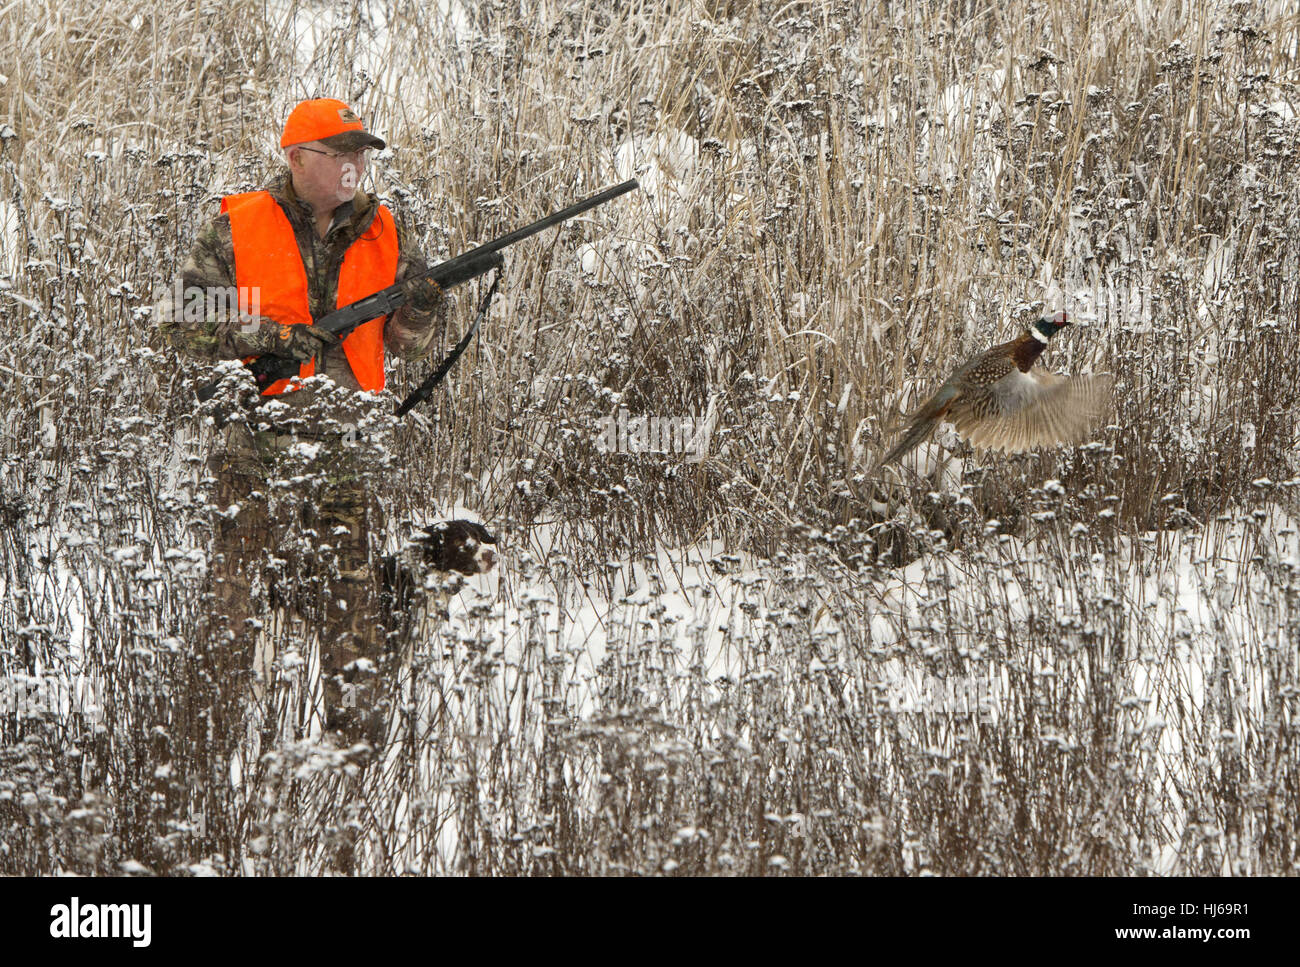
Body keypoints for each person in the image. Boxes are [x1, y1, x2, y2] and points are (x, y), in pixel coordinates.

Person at [158, 98, 477, 747]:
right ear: (298, 157)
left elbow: (404, 345)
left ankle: (353, 747)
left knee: (350, 602)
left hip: (344, 442)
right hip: (254, 437)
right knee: (231, 595)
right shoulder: (239, 225)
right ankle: (206, 745)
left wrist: (421, 308)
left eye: (363, 153)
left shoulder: (385, 229)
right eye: (342, 153)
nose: (357, 165)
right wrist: (269, 333)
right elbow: (183, 324)